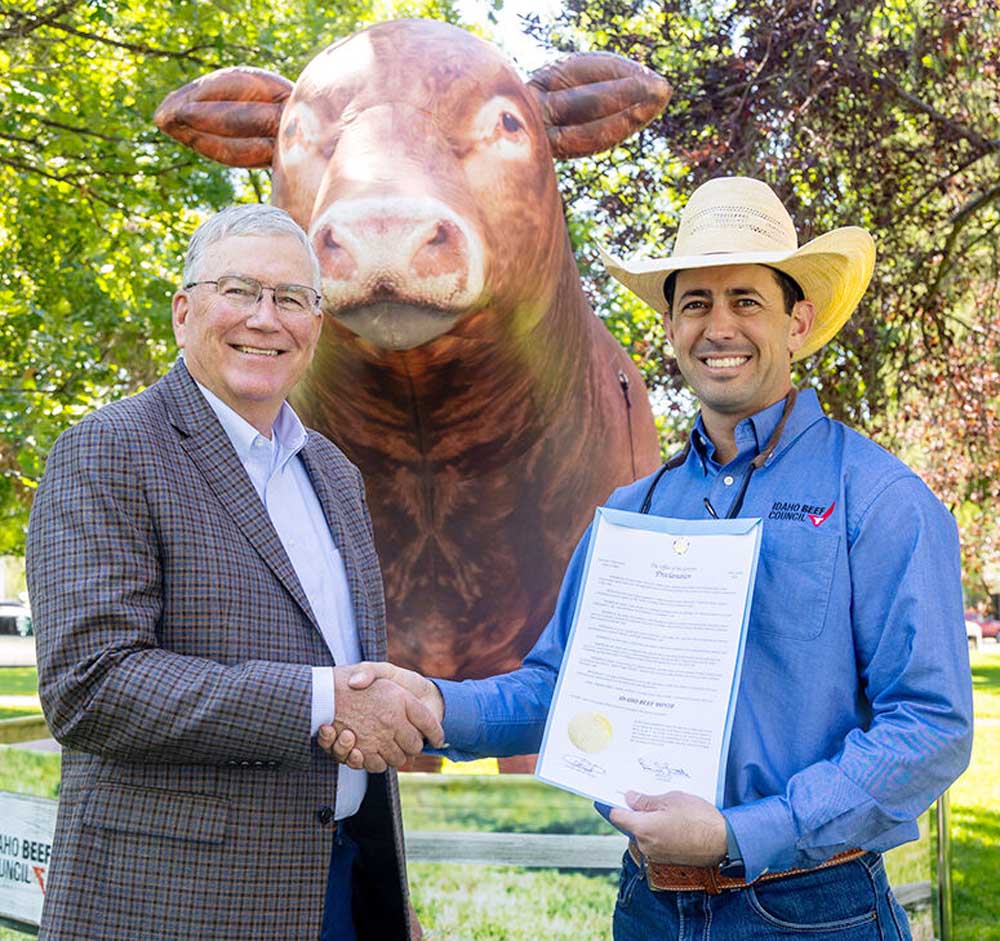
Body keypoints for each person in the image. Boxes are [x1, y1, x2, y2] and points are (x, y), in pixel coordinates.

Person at [327, 177, 974, 939]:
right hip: (648, 906)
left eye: (746, 300)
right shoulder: (632, 512)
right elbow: (559, 688)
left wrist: (742, 833)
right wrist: (434, 705)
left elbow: (931, 724)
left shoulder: (878, 499)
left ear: (797, 322)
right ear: (670, 324)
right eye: (695, 302)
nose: (719, 325)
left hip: (812, 908)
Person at [25, 204, 442, 941]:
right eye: (240, 290)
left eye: (291, 298)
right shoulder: (108, 450)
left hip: (341, 888)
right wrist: (323, 702)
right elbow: (89, 685)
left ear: (316, 324)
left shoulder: (334, 474)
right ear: (184, 311)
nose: (266, 317)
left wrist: (382, 886)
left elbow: (350, 673)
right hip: (175, 907)